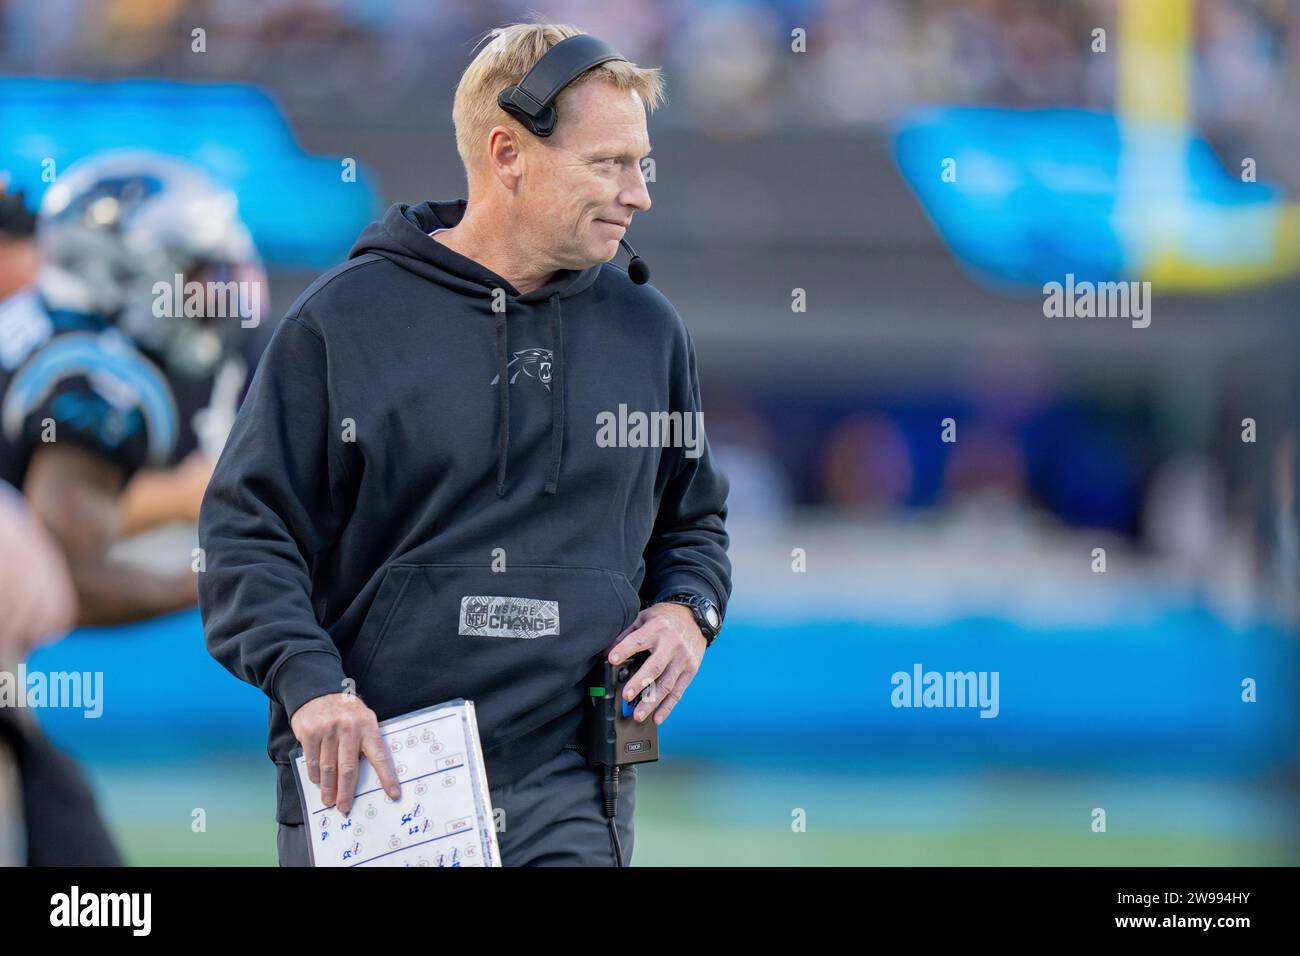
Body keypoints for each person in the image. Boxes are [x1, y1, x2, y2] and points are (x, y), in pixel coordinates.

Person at [198, 22, 733, 867]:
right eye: (610, 163)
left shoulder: (649, 331)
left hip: (572, 788)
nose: (640, 194)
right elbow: (244, 537)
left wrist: (686, 612)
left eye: (642, 163)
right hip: (378, 779)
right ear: (508, 153)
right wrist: (311, 690)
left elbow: (694, 523)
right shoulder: (342, 324)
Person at [0, 152, 266, 626]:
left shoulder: (47, 330)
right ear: (123, 269)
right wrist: (227, 581)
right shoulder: (97, 384)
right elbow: (70, 582)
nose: (212, 297)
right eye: (196, 276)